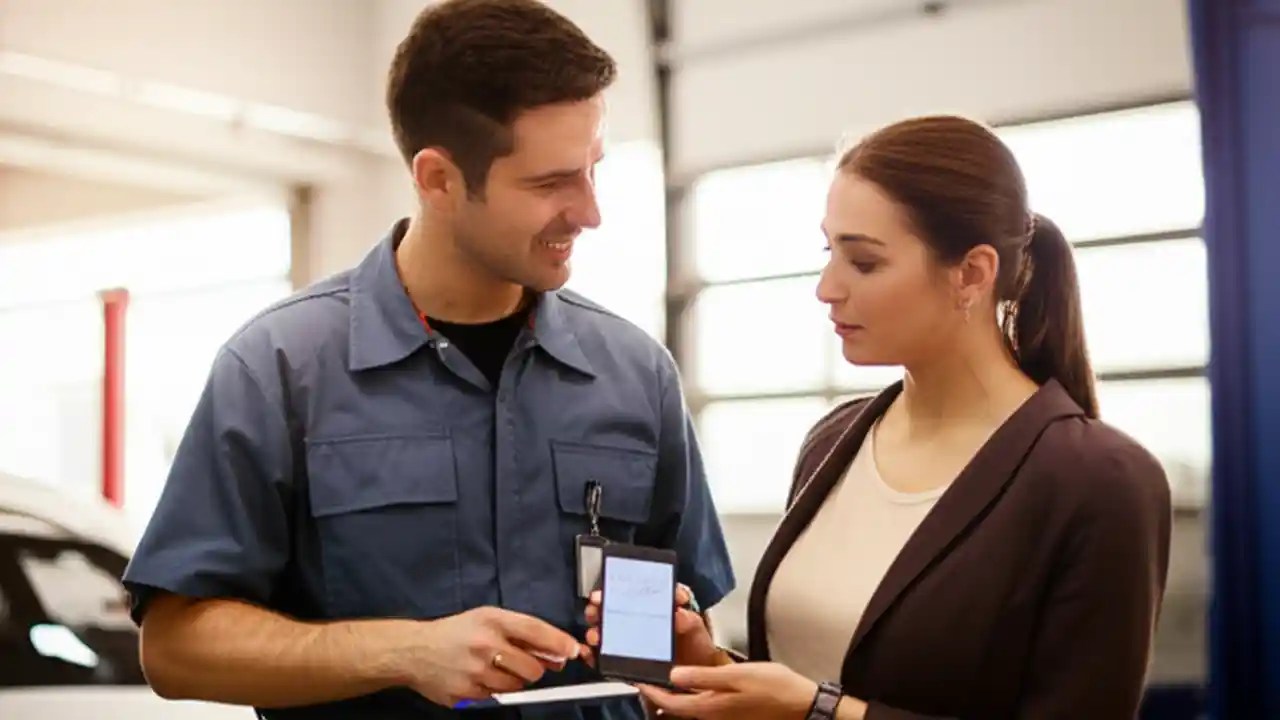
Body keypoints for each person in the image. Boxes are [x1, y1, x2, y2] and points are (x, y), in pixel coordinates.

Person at [121, 1, 735, 718]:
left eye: (593, 169)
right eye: (549, 183)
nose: (591, 211)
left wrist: (688, 649)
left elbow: (688, 640)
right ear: (439, 179)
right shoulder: (281, 369)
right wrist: (404, 652)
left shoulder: (637, 375)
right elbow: (174, 648)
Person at [585, 115, 1172, 719]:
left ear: (972, 273)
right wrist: (711, 670)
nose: (826, 288)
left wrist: (819, 713)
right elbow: (810, 678)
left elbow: (817, 703)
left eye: (863, 263)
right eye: (829, 252)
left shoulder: (1102, 482)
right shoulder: (835, 440)